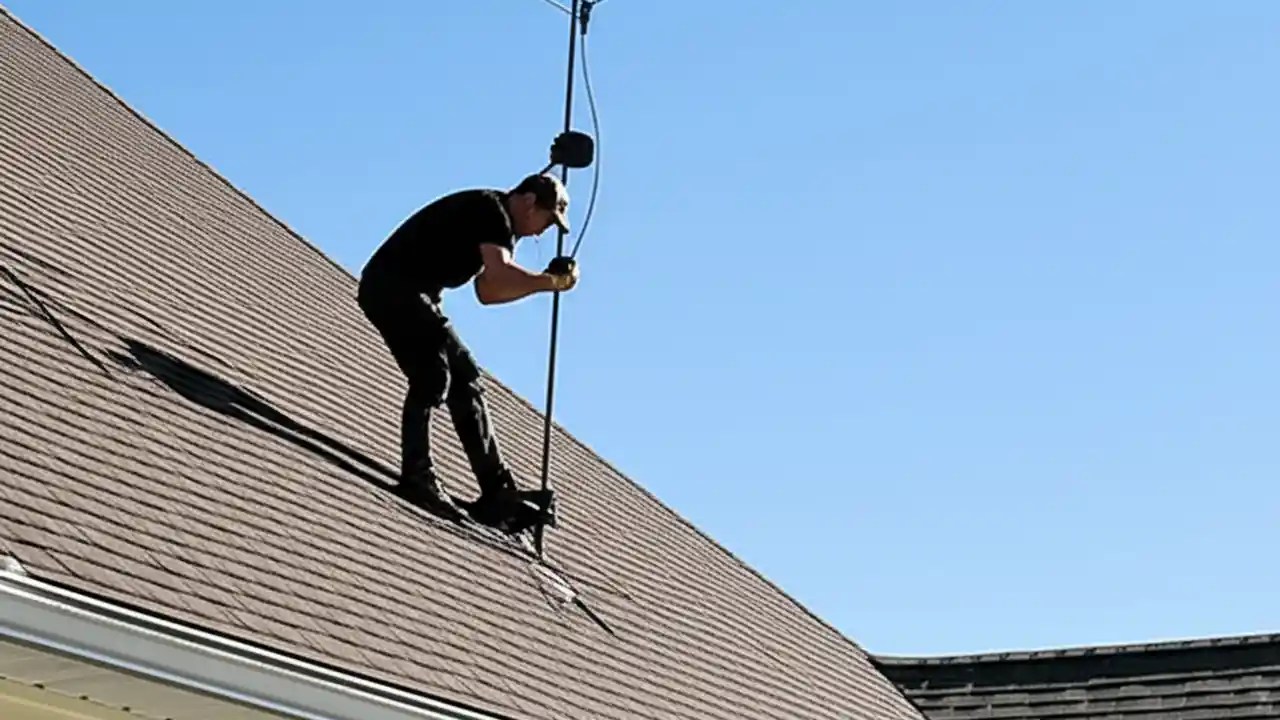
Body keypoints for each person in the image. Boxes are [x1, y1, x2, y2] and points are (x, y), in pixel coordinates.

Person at [357, 172, 579, 531]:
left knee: (466, 379)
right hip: (392, 288)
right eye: (546, 220)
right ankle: (418, 475)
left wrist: (543, 284)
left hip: (410, 294)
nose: (542, 231)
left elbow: (488, 292)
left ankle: (496, 491)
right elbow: (501, 276)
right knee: (433, 374)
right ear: (527, 202)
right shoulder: (491, 211)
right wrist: (548, 282)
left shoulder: (501, 227)